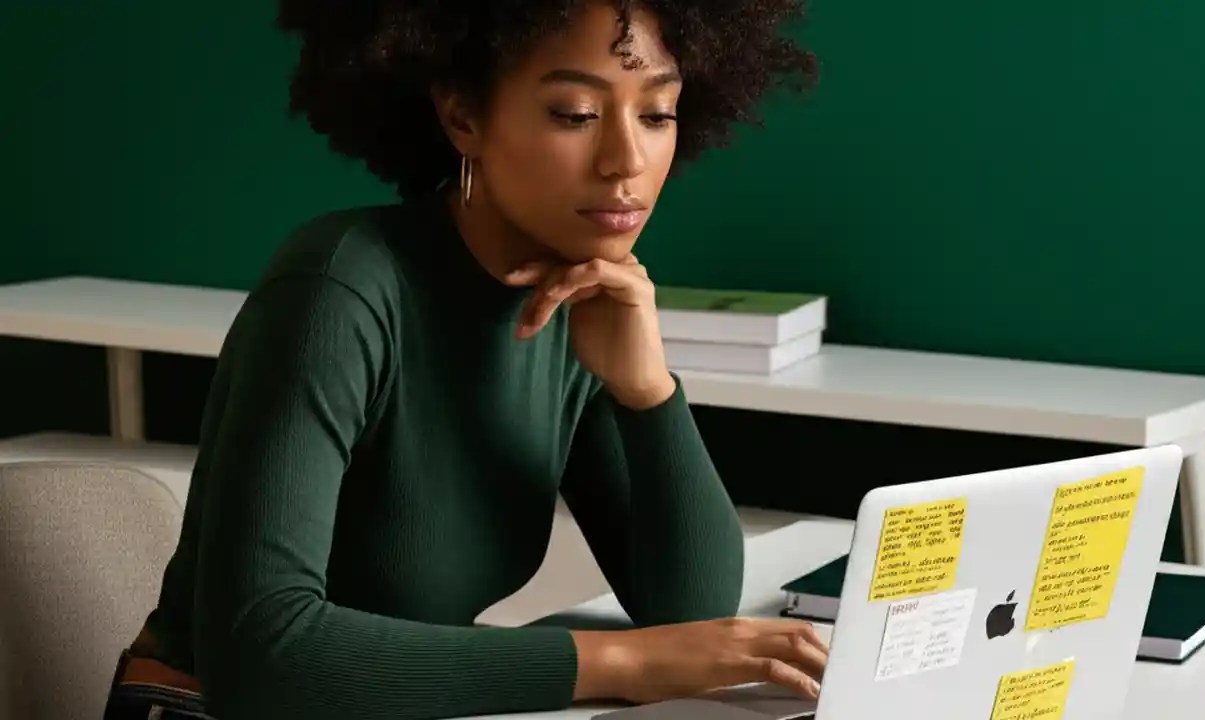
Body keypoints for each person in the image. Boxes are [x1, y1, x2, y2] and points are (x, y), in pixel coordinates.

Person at [103, 1, 821, 718]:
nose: (625, 161)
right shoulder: (337, 290)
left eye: (658, 114)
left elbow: (691, 608)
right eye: (575, 113)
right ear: (463, 117)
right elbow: (260, 653)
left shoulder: (579, 294)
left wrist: (646, 390)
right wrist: (622, 662)